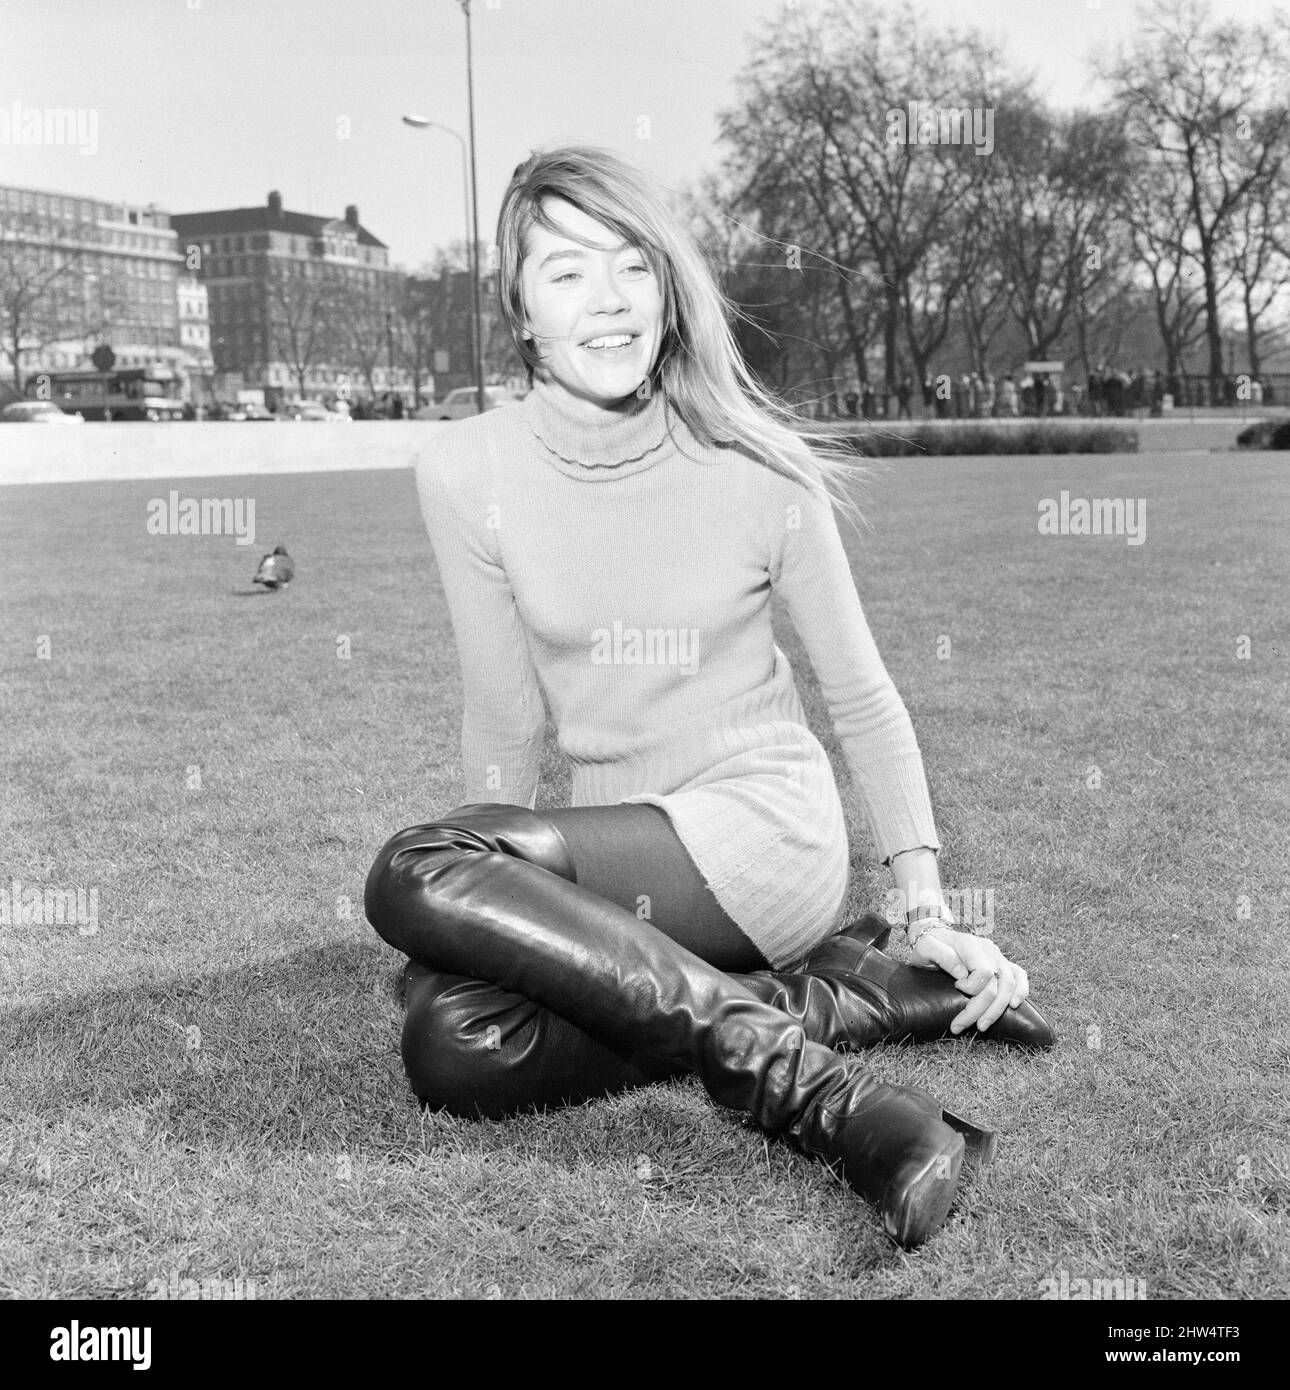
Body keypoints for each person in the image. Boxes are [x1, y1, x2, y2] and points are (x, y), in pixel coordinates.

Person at [365, 146, 1052, 1250]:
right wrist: (493, 922)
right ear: (521, 311)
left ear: (668, 289)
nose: (608, 299)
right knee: (454, 1041)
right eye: (567, 271)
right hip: (626, 844)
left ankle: (835, 1105)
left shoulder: (755, 465)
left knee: (416, 866)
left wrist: (925, 908)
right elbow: (503, 714)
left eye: (632, 265)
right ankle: (849, 997)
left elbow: (861, 696)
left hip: (761, 826)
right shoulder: (463, 471)